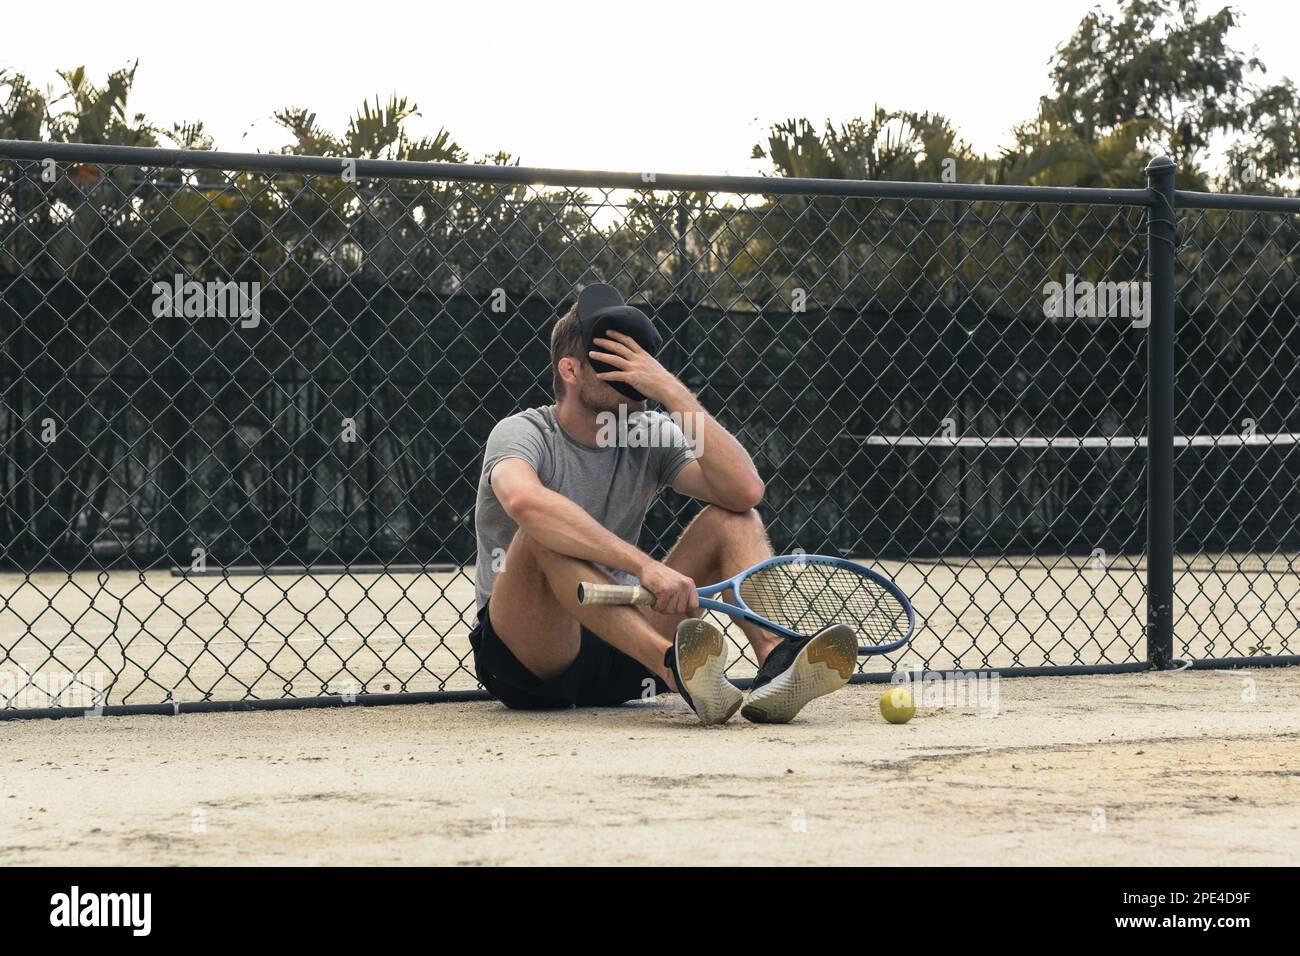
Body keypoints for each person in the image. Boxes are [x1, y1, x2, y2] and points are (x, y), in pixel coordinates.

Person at [469, 284, 857, 724]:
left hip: (622, 643)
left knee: (735, 518)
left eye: (638, 362)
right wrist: (645, 567)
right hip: (533, 656)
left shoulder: (647, 430)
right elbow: (525, 501)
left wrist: (672, 391)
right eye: (614, 364)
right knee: (542, 529)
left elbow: (745, 490)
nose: (633, 378)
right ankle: (677, 669)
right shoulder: (524, 432)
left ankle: (776, 662)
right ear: (572, 372)